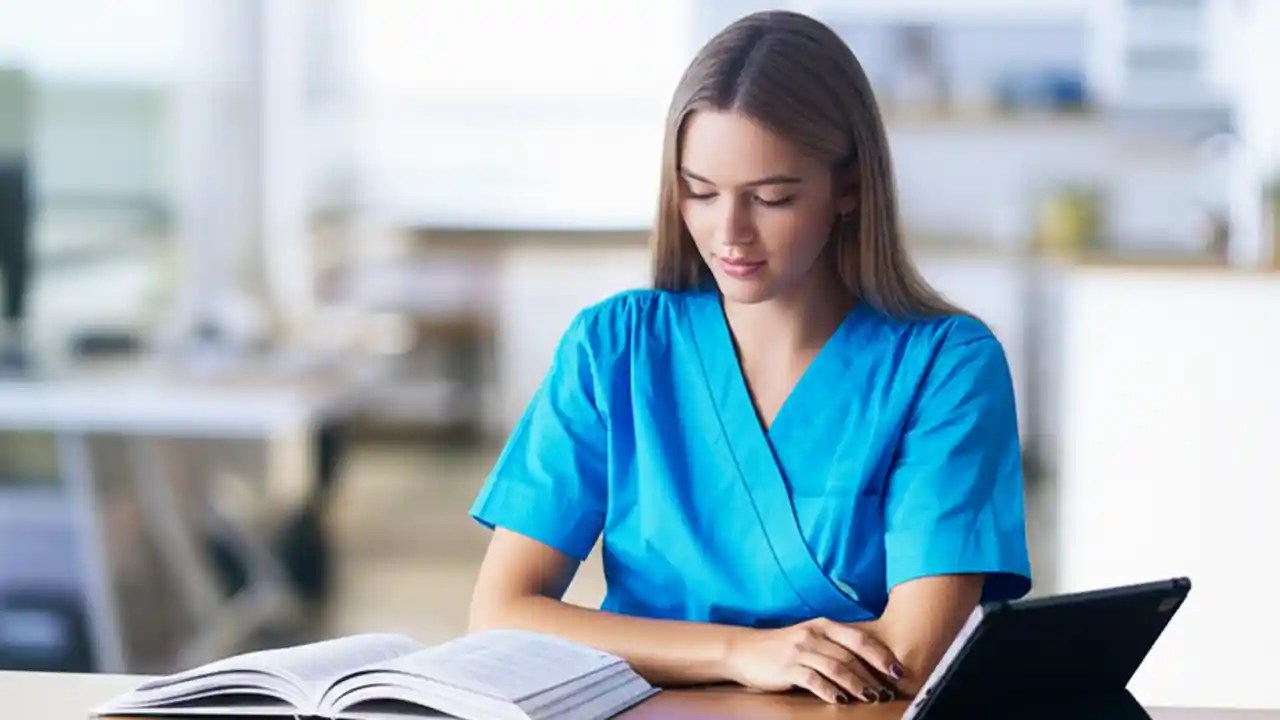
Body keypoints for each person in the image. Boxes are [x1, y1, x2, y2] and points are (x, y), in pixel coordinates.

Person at [467, 9, 1031, 706]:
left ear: (849, 187)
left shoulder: (946, 367)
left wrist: (649, 645)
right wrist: (742, 651)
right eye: (699, 193)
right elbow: (501, 614)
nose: (728, 232)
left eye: (771, 197)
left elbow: (907, 660)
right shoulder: (613, 348)